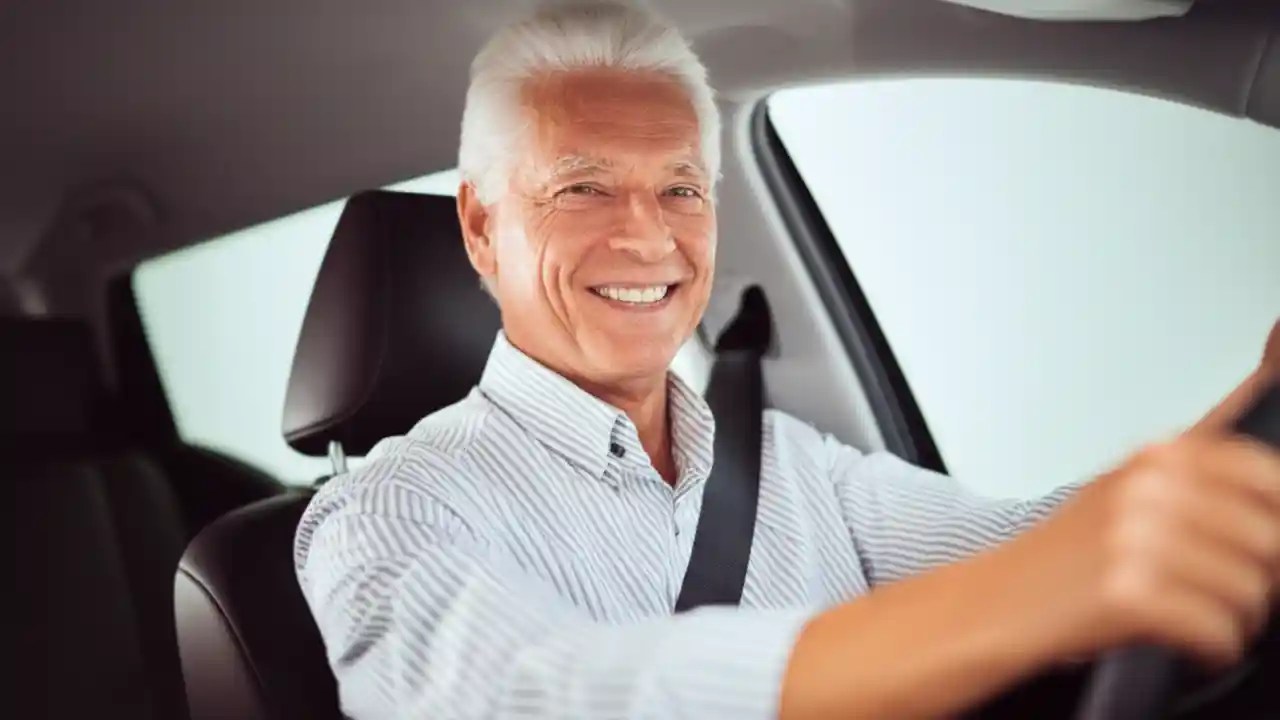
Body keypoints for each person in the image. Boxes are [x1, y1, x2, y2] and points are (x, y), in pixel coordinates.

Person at [294, 3, 1280, 718]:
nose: (647, 240)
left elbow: (1034, 546)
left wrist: (1255, 401)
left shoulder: (792, 464)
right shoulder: (388, 510)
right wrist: (1020, 599)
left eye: (680, 189)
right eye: (584, 188)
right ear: (479, 225)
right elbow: (526, 695)